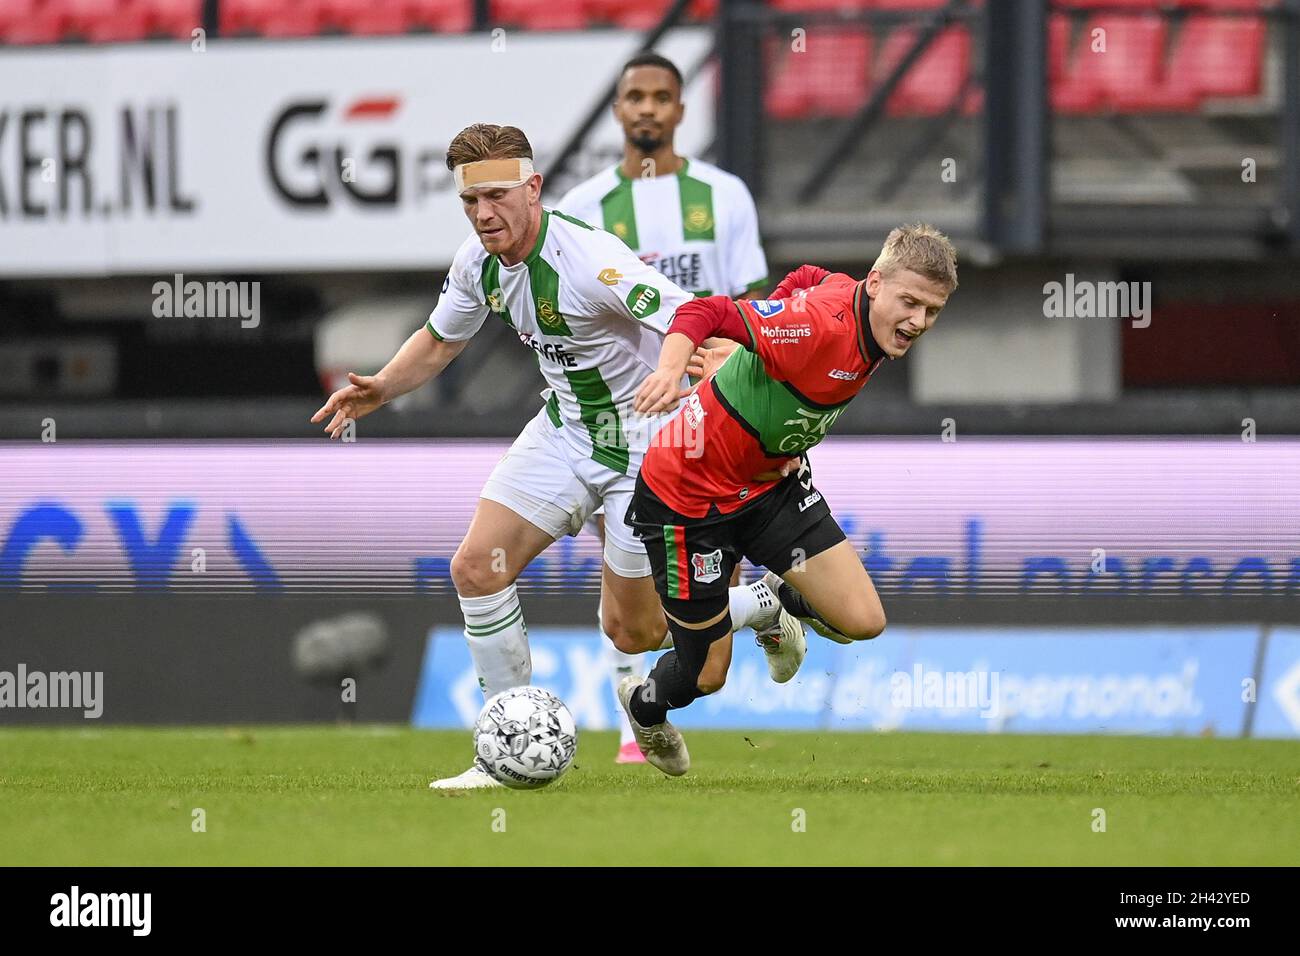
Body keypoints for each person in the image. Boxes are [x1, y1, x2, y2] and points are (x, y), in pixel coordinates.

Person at [310, 123, 802, 789]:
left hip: (646, 446)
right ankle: (503, 753)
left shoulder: (592, 260)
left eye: (498, 196)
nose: (484, 214)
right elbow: (438, 339)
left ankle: (762, 604)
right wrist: (382, 387)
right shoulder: (477, 262)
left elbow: (693, 316)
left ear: (533, 188)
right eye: (470, 201)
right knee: (477, 569)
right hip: (565, 430)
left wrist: (708, 376)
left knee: (634, 634)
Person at [617, 225, 959, 776]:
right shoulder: (815, 327)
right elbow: (703, 313)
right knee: (705, 674)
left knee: (863, 620)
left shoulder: (850, 302)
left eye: (932, 310)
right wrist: (672, 367)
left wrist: (761, 350)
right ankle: (644, 707)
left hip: (770, 486)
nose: (918, 321)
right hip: (689, 500)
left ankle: (771, 598)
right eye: (910, 302)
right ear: (875, 284)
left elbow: (805, 277)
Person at [557, 51, 775, 762]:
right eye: (635, 97)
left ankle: (755, 608)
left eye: (662, 97)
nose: (648, 108)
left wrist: (749, 387)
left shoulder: (725, 196)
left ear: (681, 111)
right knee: (619, 563)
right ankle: (633, 724)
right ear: (618, 111)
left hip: (710, 413)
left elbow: (752, 306)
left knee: (709, 593)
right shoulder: (585, 208)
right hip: (622, 406)